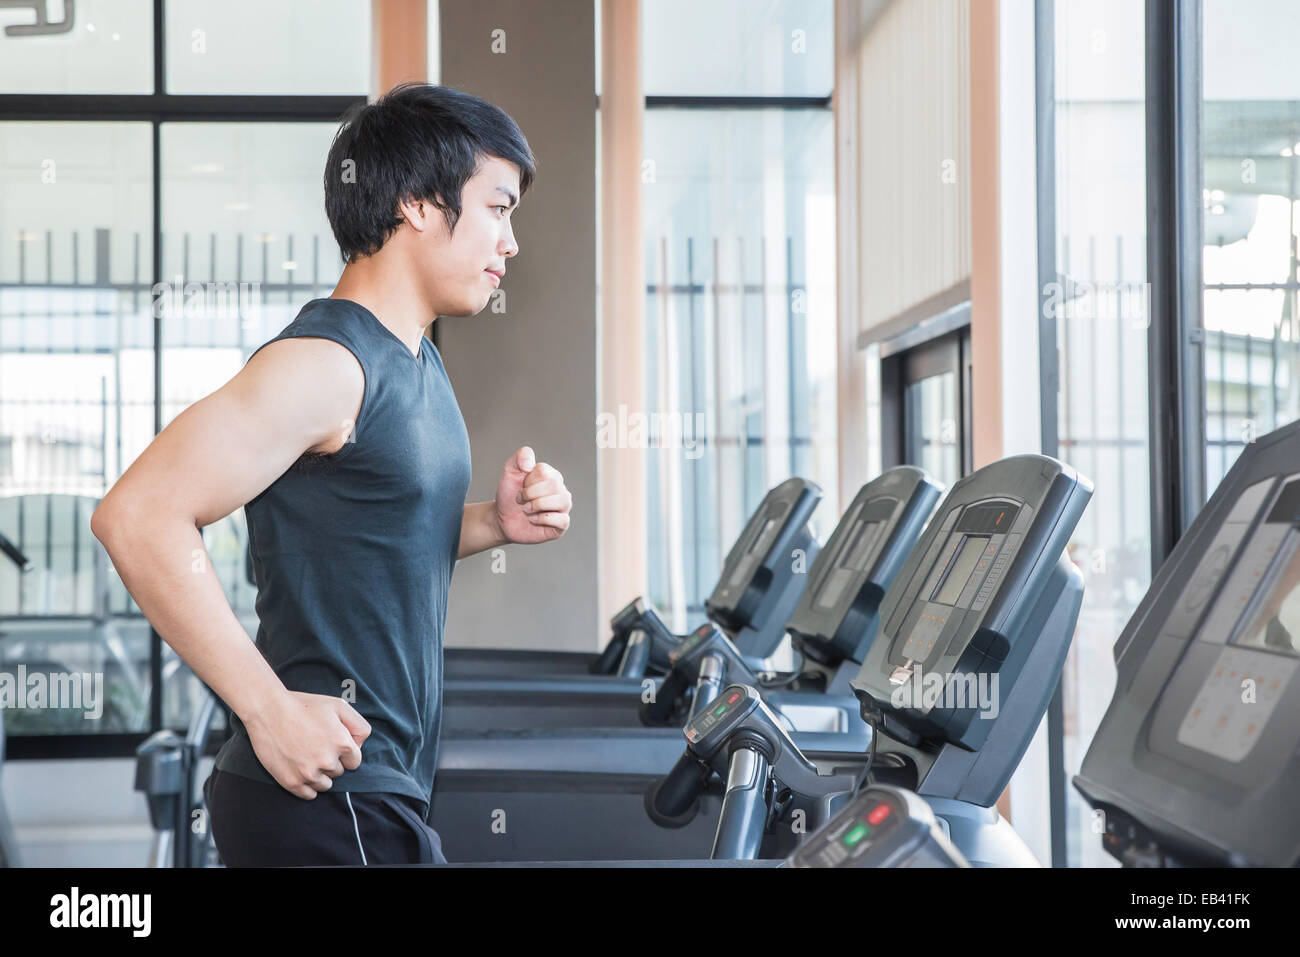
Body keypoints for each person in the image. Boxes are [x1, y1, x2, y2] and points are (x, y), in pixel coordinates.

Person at [91, 83, 572, 865]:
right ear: (419, 202)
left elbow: (365, 535)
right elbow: (137, 515)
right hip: (327, 797)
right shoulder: (325, 365)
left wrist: (491, 520)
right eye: (498, 207)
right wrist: (266, 707)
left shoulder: (416, 359)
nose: (510, 241)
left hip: (375, 790)